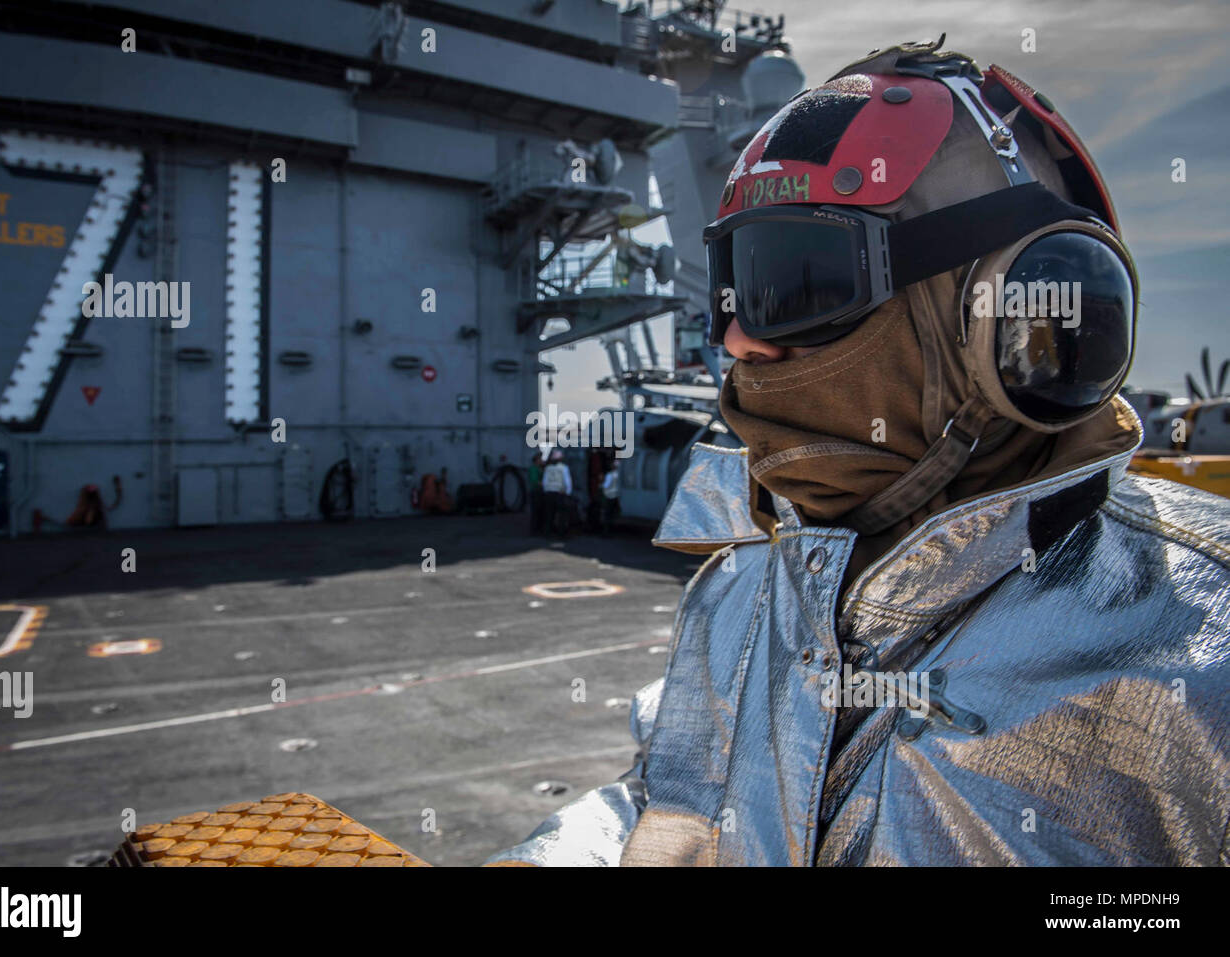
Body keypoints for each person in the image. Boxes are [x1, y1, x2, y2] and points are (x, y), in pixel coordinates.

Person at [487, 39, 1230, 866]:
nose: (738, 338)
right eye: (728, 289)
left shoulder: (1209, 654)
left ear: (1013, 308)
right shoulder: (735, 592)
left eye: (793, 283)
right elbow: (665, 806)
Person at [540, 448, 572, 537]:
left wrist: (545, 491)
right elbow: (567, 481)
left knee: (549, 514)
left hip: (549, 493)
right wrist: (568, 493)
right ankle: (561, 534)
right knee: (562, 515)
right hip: (560, 494)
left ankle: (547, 533)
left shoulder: (548, 468)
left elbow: (545, 481)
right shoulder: (564, 468)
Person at [599, 456, 620, 536]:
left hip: (608, 496)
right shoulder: (619, 475)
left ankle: (606, 532)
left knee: (606, 514)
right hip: (616, 496)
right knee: (612, 514)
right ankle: (611, 531)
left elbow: (606, 485)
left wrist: (600, 485)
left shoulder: (610, 475)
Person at [526, 452, 544, 534]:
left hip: (539, 492)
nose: (542, 460)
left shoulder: (540, 468)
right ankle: (534, 530)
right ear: (537, 460)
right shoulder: (534, 469)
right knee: (536, 511)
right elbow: (534, 481)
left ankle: (538, 528)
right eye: (540, 459)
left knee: (540, 511)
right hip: (535, 492)